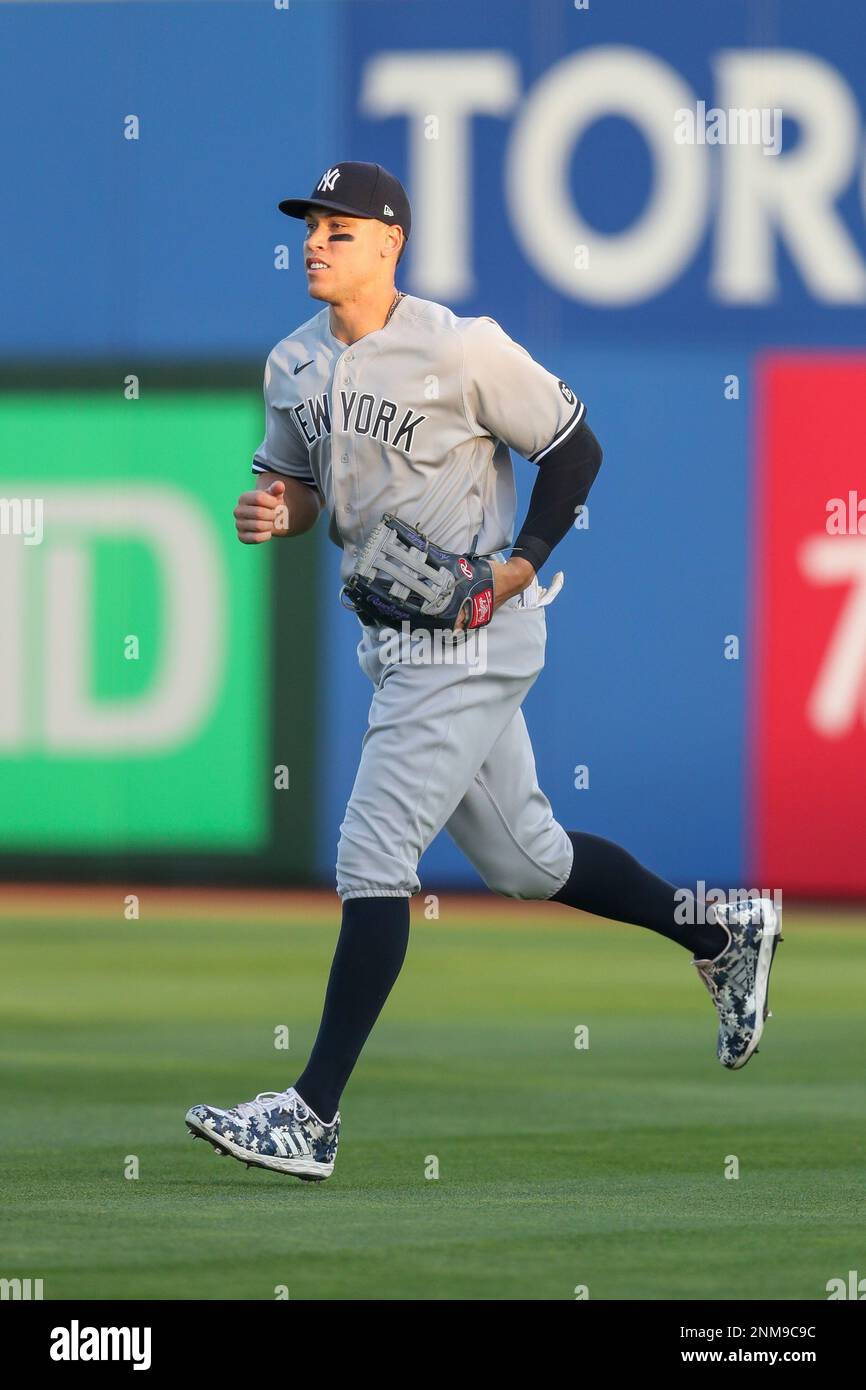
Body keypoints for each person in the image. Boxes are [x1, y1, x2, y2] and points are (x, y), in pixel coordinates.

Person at [186, 162, 782, 1181]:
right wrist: (271, 513)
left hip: (469, 638)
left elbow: (575, 448)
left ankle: (310, 1114)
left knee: (371, 856)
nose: (315, 240)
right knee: (526, 860)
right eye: (309, 225)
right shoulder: (292, 364)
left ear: (389, 243)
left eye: (338, 226)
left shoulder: (459, 345)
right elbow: (292, 486)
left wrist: (514, 569)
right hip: (392, 640)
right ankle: (717, 927)